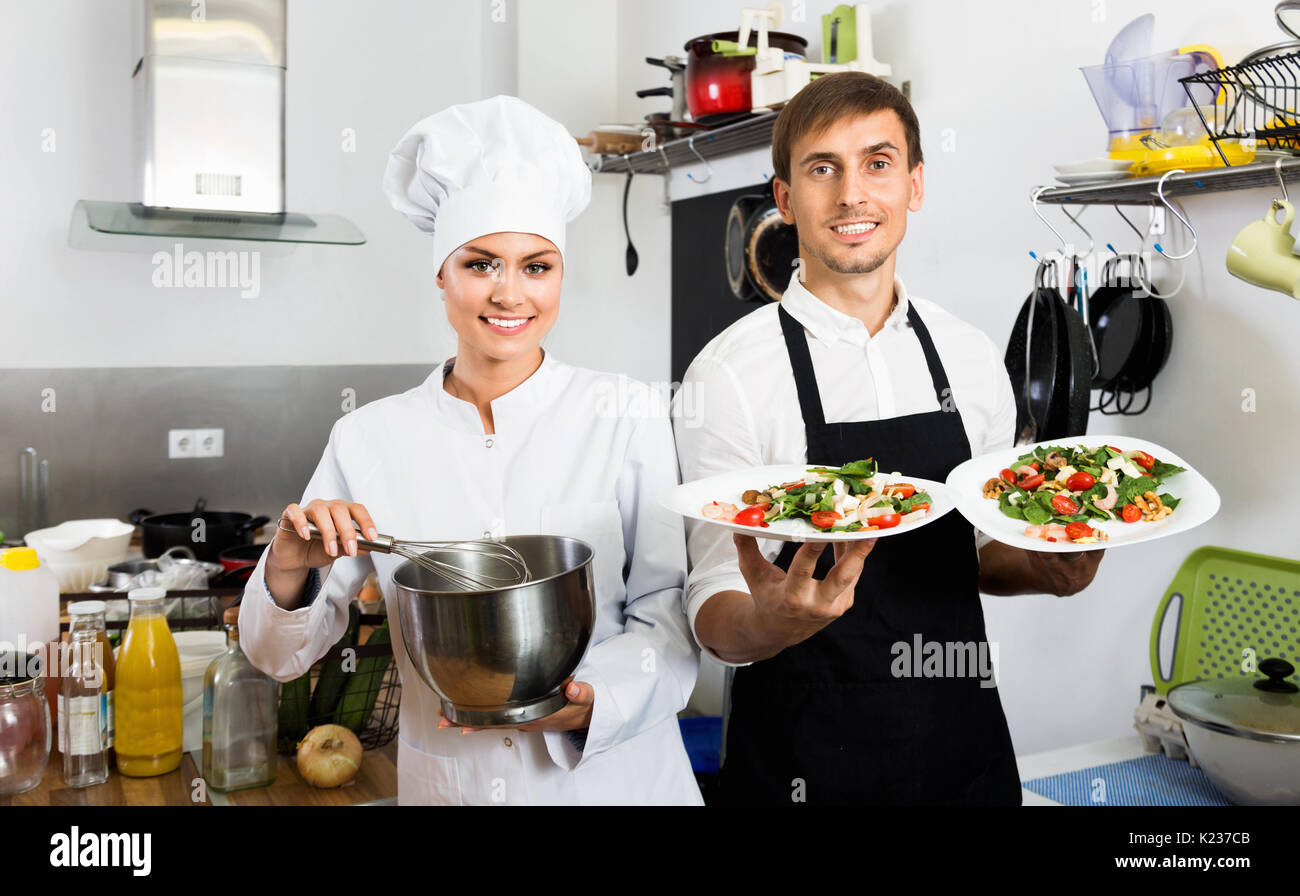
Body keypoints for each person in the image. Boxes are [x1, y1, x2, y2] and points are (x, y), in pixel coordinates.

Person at [239, 95, 702, 806]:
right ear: (441, 275)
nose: (509, 293)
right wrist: (288, 567)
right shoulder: (368, 438)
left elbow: (666, 615)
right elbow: (278, 656)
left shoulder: (625, 412)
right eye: (481, 264)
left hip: (615, 782)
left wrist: (596, 699)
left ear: (560, 275)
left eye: (536, 267)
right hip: (452, 786)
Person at [672, 72, 1103, 805]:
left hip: (962, 752)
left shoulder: (969, 359)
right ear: (784, 201)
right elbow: (713, 606)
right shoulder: (729, 374)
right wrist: (769, 622)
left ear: (914, 184)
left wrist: (1050, 567)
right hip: (800, 763)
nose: (851, 195)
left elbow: (977, 553)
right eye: (822, 168)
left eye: (877, 163)